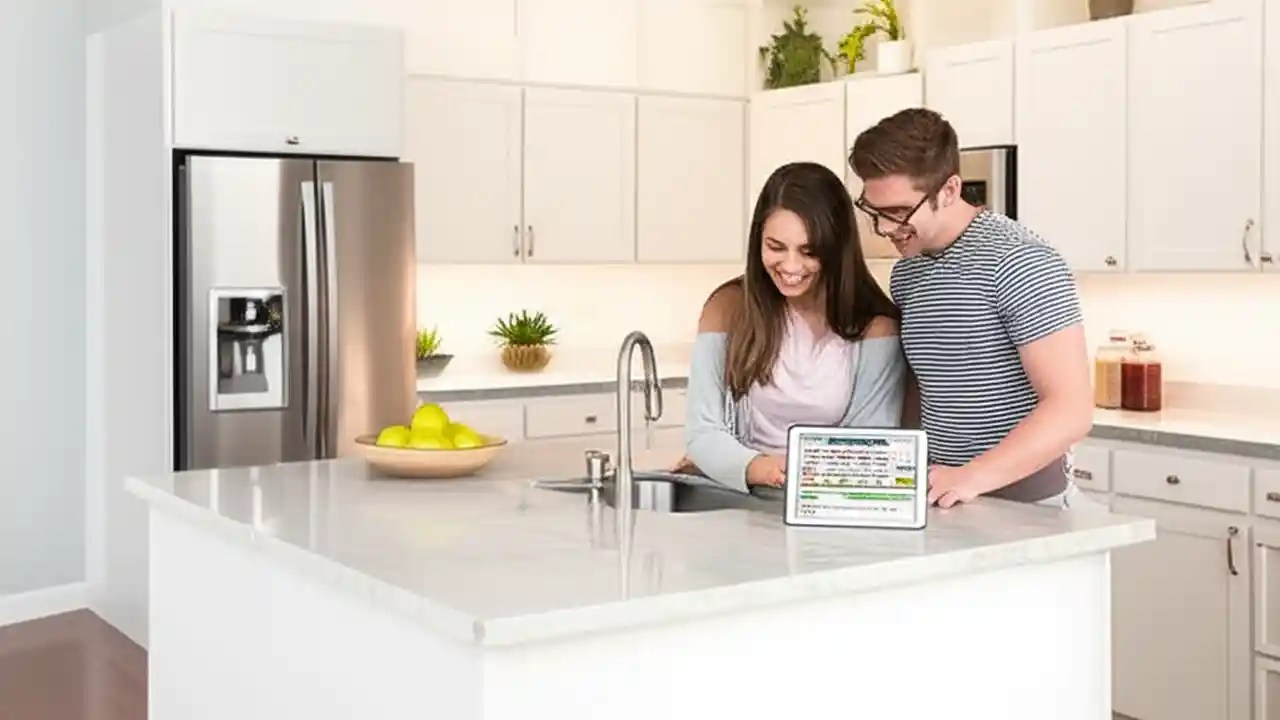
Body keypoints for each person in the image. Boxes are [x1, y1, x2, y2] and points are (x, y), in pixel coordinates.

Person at [848, 108, 1093, 509]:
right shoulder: (908, 273)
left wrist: (970, 477)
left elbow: (1072, 409)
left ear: (949, 190)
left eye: (897, 213)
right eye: (874, 211)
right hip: (947, 497)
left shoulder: (1020, 261)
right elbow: (923, 390)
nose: (886, 228)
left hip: (1027, 504)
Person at [681, 161, 910, 493]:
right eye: (776, 247)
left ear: (836, 249)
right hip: (746, 498)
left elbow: (870, 448)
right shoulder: (727, 308)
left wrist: (781, 468)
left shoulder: (876, 328)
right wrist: (754, 468)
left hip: (830, 502)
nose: (790, 266)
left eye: (809, 252)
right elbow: (702, 433)